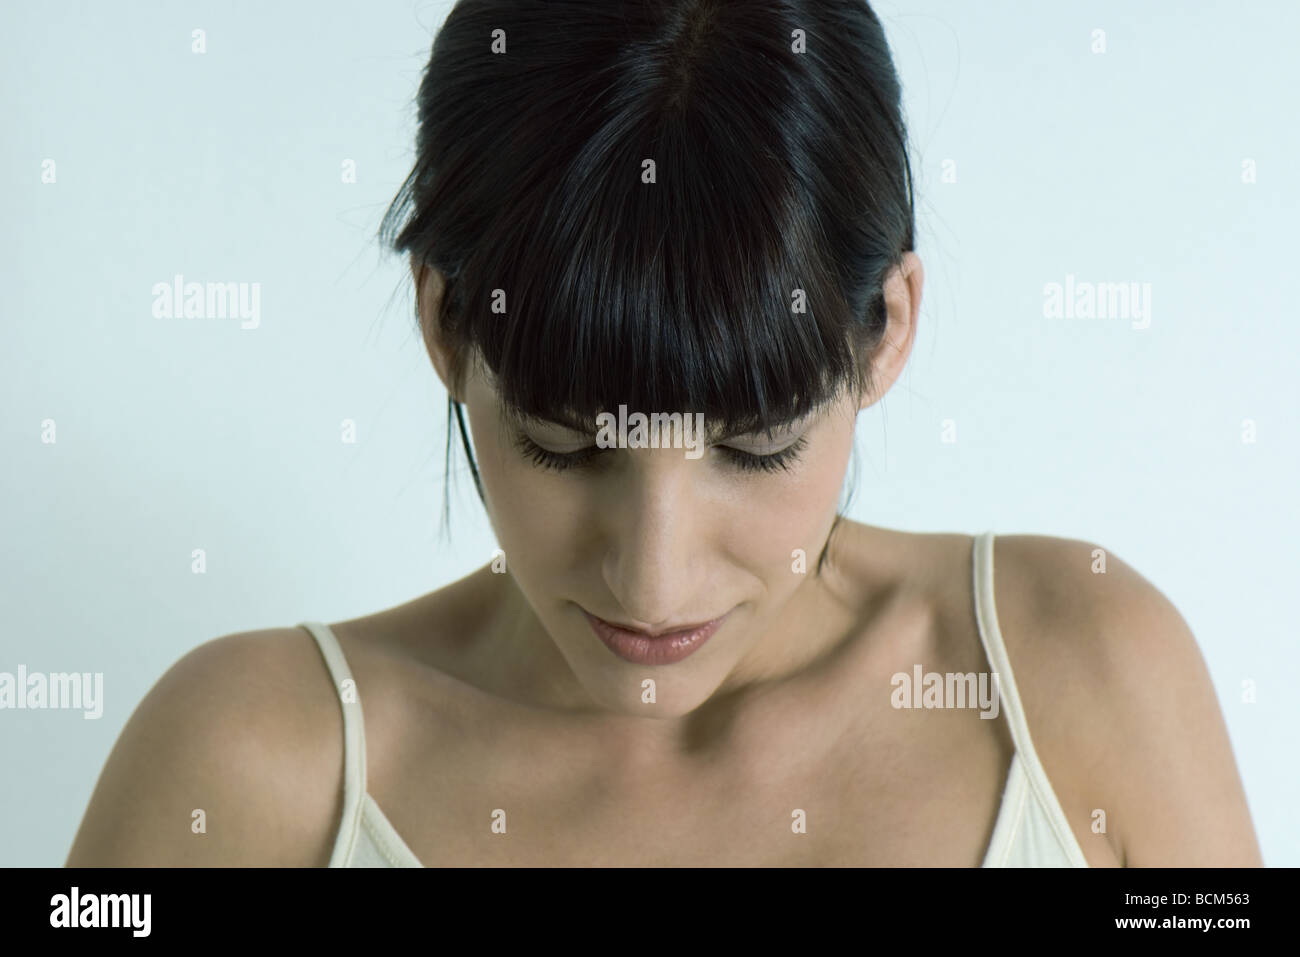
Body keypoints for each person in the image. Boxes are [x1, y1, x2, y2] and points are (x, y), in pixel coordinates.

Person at [66, 0, 1261, 867]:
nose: (652, 576)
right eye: (559, 439)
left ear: (885, 332)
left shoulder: (1080, 672)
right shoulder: (251, 767)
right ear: (442, 324)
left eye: (752, 448)